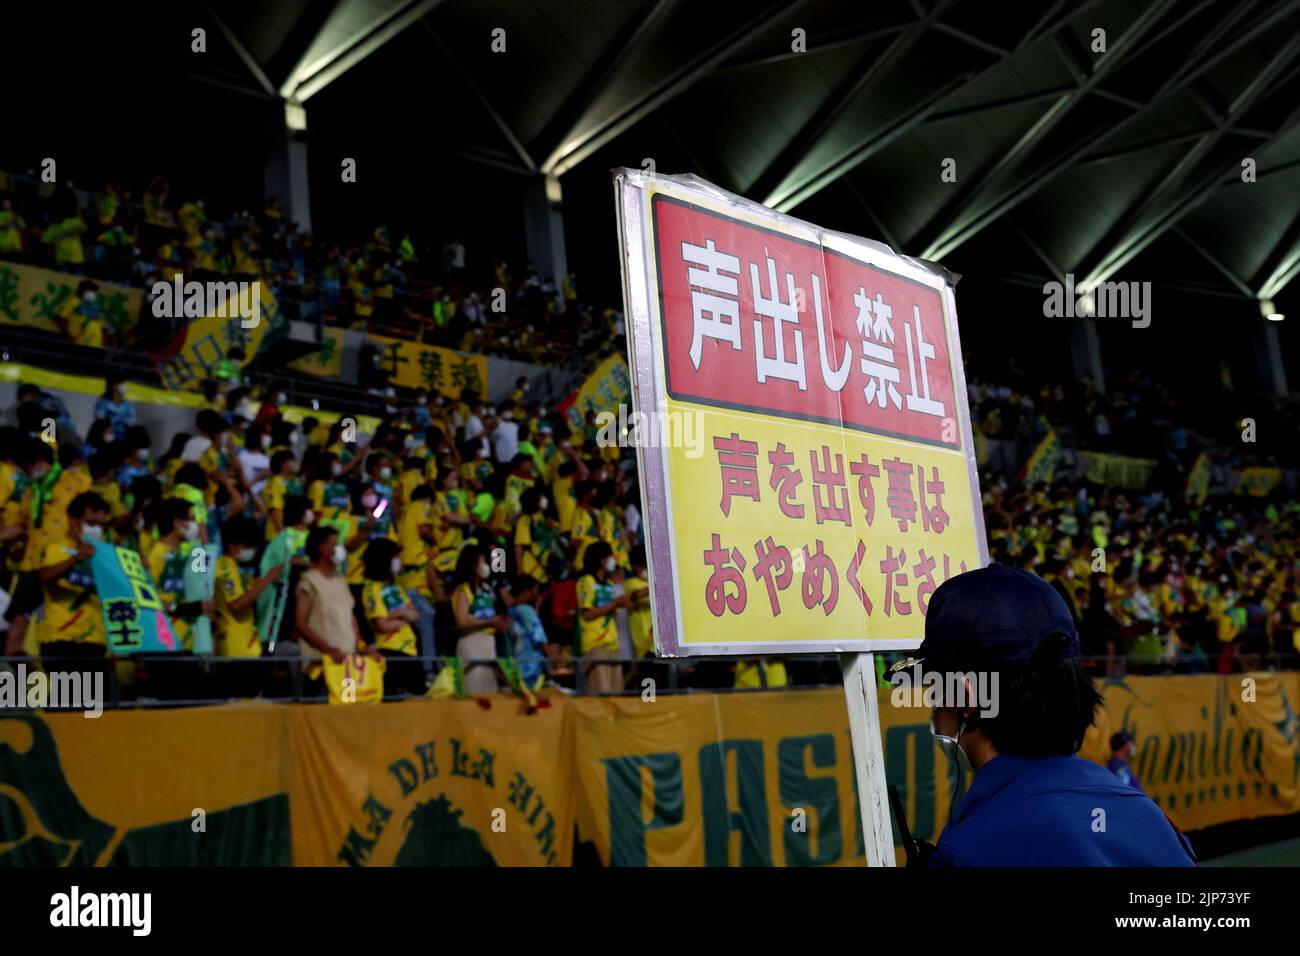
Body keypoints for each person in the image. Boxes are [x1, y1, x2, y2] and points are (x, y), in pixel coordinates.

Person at [889, 563, 1196, 867]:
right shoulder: (1152, 820)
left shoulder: (966, 850)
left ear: (965, 698)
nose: (933, 709)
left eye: (934, 690)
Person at [294, 526, 378, 697]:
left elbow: (351, 618)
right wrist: (328, 649)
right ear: (321, 548)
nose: (340, 548)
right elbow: (300, 624)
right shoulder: (309, 581)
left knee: (349, 707)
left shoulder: (341, 581)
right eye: (334, 544)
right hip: (322, 666)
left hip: (348, 664)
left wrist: (361, 647)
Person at [214, 515, 283, 696]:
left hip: (250, 648)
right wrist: (267, 580)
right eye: (248, 546)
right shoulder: (224, 566)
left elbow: (252, 589)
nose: (251, 550)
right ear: (234, 545)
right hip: (235, 651)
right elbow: (237, 605)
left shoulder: (238, 571)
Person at [360, 537, 424, 697]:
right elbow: (382, 625)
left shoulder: (397, 587)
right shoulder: (371, 589)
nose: (399, 560)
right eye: (395, 556)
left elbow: (415, 615)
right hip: (390, 652)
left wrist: (396, 614)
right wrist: (404, 615)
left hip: (411, 651)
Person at [449, 545, 509, 694]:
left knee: (490, 691)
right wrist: (490, 622)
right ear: (472, 564)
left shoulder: (485, 591)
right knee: (474, 690)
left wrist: (498, 624)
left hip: (489, 645)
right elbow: (462, 621)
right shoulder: (462, 590)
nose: (486, 566)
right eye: (482, 562)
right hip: (472, 644)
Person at [576, 540, 629, 694]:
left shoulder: (609, 584)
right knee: (601, 695)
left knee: (617, 695)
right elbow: (587, 614)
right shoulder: (586, 581)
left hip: (612, 644)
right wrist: (614, 604)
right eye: (611, 556)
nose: (614, 559)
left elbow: (612, 611)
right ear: (602, 560)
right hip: (595, 645)